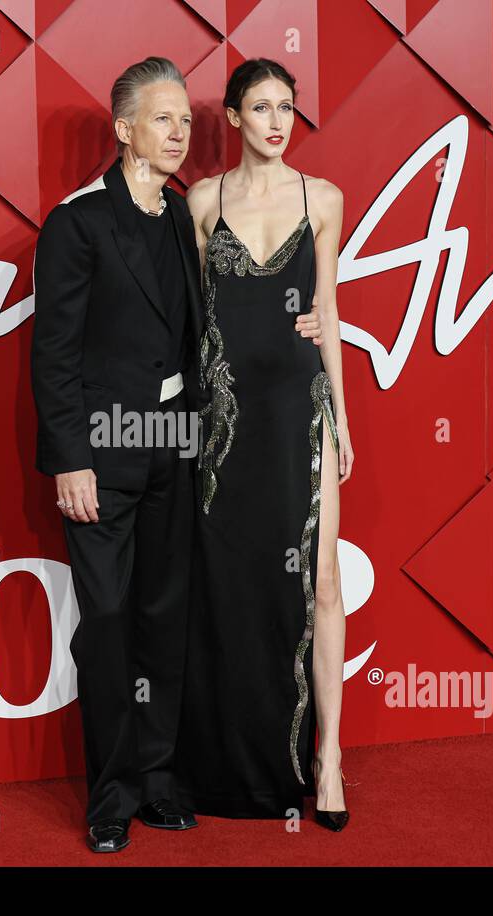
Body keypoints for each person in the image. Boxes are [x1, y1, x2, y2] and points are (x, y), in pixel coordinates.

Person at [30, 56, 326, 852]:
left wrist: (306, 322)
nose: (178, 133)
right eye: (163, 120)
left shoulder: (177, 215)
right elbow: (53, 354)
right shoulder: (76, 222)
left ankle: (158, 782)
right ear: (124, 129)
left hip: (176, 443)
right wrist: (70, 460)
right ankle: (109, 798)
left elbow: (229, 311)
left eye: (185, 121)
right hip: (102, 450)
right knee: (109, 624)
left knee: (166, 621)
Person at [173, 58, 355, 830]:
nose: (278, 122)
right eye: (262, 108)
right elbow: (188, 317)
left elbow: (328, 309)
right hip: (225, 425)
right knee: (233, 591)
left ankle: (330, 758)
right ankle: (231, 757)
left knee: (320, 585)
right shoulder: (204, 201)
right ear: (235, 118)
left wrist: (343, 416)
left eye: (288, 107)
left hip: (298, 410)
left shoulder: (325, 198)